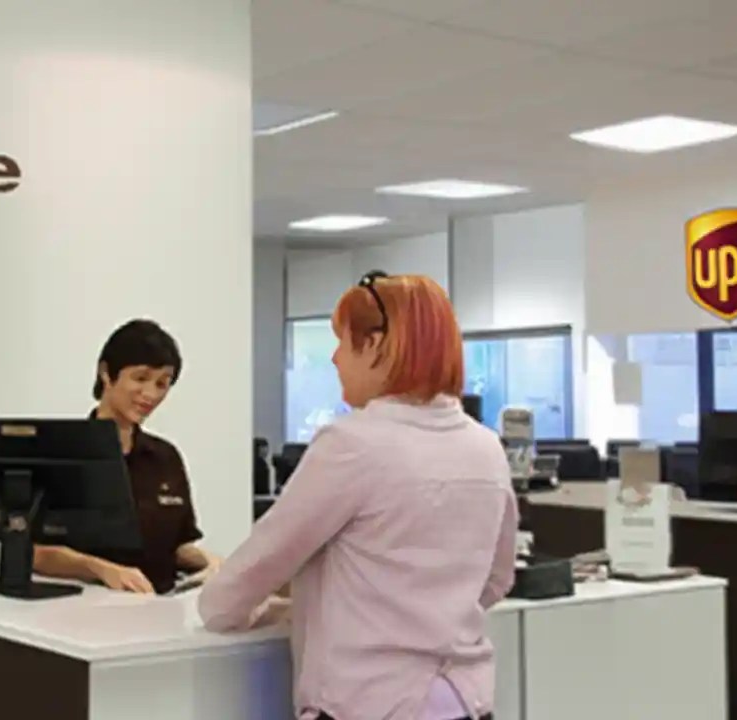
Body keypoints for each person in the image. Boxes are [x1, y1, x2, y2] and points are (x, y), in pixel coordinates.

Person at [198, 272, 517, 720]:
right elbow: (497, 578)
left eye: (342, 343)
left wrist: (219, 607)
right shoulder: (487, 447)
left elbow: (256, 569)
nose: (334, 359)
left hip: (369, 703)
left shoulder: (353, 443)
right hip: (465, 701)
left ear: (375, 345)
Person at [33, 319, 221, 595]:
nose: (151, 394)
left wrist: (209, 561)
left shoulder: (165, 457)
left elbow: (177, 546)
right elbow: (36, 552)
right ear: (106, 374)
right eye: (141, 378)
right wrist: (102, 569)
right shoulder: (63, 453)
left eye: (162, 384)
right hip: (82, 615)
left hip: (159, 612)